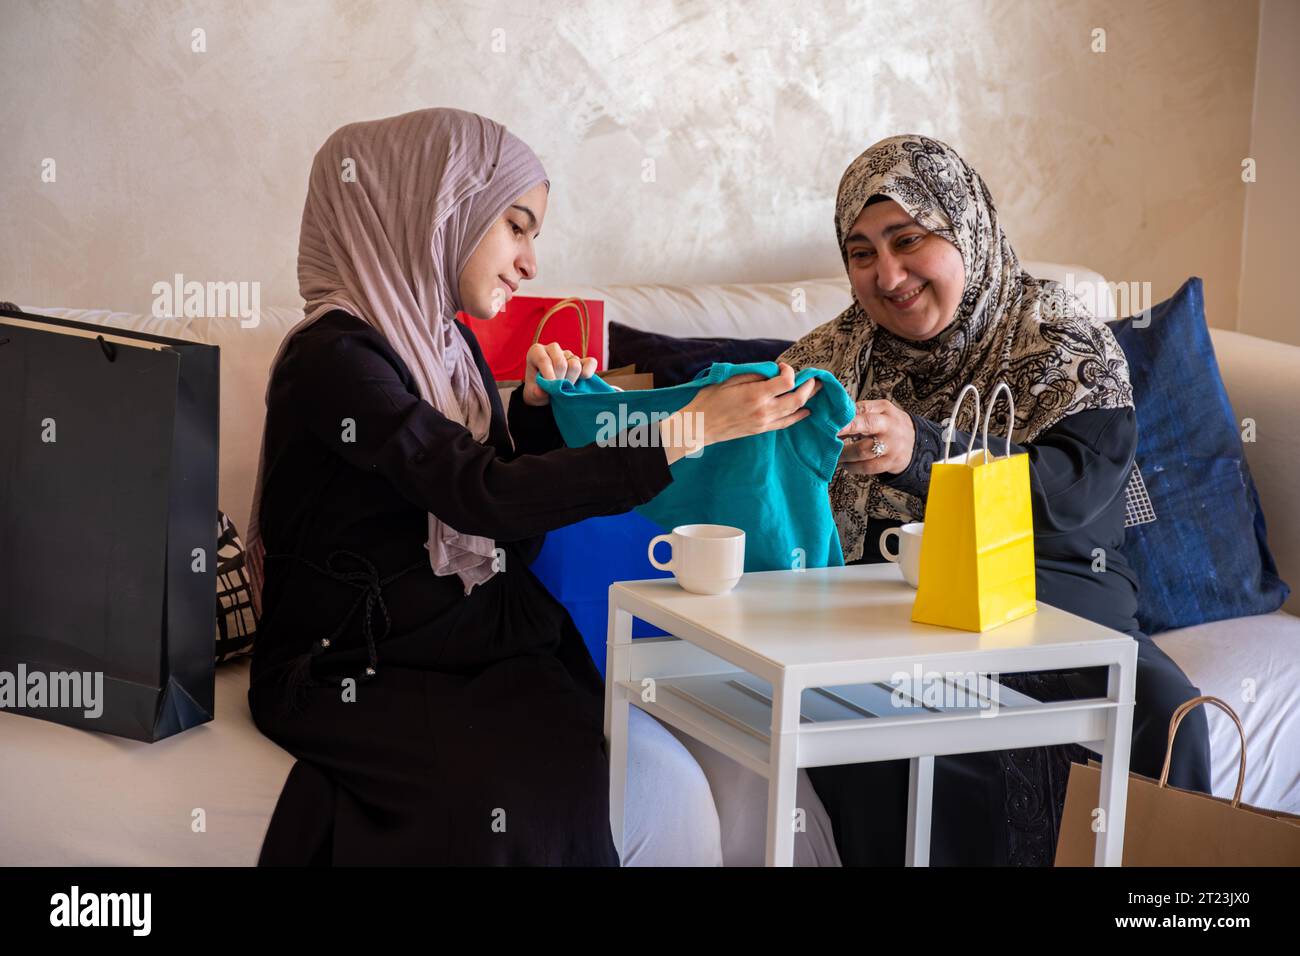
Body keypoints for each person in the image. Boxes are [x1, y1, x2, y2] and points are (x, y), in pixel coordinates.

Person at [243, 107, 820, 865]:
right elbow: (475, 492)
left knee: (599, 768)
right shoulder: (332, 361)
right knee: (520, 807)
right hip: (355, 664)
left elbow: (505, 514)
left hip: (467, 645)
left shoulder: (444, 351)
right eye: (516, 227)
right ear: (437, 209)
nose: (529, 262)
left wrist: (537, 414)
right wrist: (689, 430)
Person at [778, 134, 1213, 866]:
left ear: (967, 227)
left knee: (1170, 719)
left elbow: (1073, 491)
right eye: (861, 253)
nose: (888, 274)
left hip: (1057, 611)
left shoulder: (1059, 343)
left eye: (908, 239)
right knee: (895, 749)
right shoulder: (827, 364)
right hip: (891, 625)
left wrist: (925, 452)